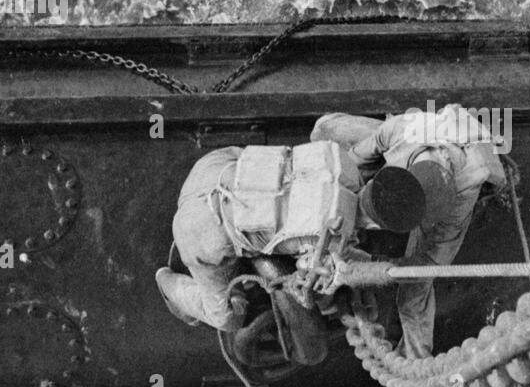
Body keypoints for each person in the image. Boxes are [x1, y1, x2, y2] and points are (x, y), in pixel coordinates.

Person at [155, 142, 429, 370]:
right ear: (375, 225)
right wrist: (377, 267)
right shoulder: (329, 236)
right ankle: (168, 283)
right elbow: (309, 281)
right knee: (228, 317)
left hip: (213, 167)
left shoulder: (343, 160)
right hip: (199, 231)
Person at [311, 103, 506, 387]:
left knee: (413, 295)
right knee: (325, 129)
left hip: (463, 161)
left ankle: (411, 371)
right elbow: (356, 160)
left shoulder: (456, 204)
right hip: (425, 139)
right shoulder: (400, 130)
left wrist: (367, 271)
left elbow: (426, 266)